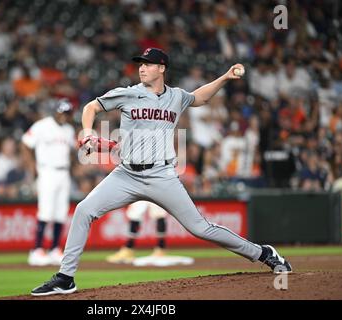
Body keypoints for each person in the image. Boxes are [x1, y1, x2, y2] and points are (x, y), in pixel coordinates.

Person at [31, 48, 292, 296]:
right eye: (140, 64)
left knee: (200, 228)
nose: (141, 68)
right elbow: (91, 107)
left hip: (161, 175)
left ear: (161, 68)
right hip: (126, 175)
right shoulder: (129, 93)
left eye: (147, 64)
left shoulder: (176, 96)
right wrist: (88, 132)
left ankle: (263, 253)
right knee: (83, 210)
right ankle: (66, 278)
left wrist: (224, 77)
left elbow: (199, 97)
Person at [21, 98, 75, 266]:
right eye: (62, 112)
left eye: (67, 113)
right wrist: (31, 166)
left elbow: (71, 151)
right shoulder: (42, 125)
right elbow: (25, 143)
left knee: (61, 212)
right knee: (46, 211)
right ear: (55, 111)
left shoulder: (69, 130)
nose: (64, 116)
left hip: (63, 172)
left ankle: (54, 249)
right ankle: (36, 250)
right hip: (47, 171)